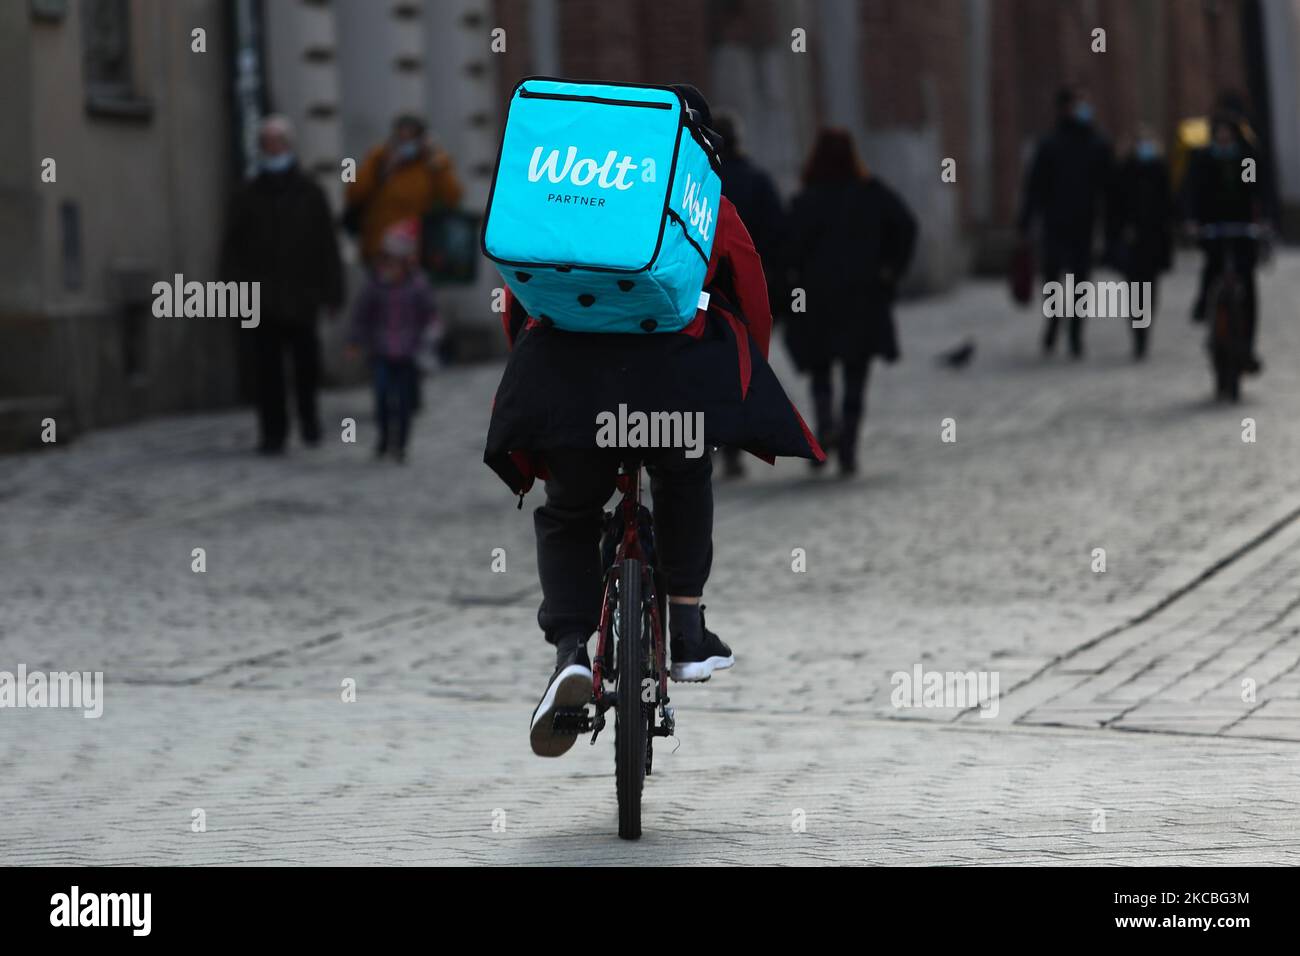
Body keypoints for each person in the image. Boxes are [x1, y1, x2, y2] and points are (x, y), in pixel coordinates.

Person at [482, 84, 825, 758]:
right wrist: (741, 374)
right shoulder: (698, 197)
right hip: (673, 381)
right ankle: (689, 632)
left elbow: (520, 299)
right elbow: (750, 292)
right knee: (683, 479)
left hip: (567, 381)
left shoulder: (576, 189)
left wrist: (534, 361)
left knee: (569, 512)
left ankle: (572, 652)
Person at [784, 128, 917, 476]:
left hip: (818, 297)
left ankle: (826, 427)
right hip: (863, 295)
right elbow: (906, 226)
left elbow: (788, 249)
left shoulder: (807, 200)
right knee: (856, 371)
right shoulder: (872, 194)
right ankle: (849, 446)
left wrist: (790, 286)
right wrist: (891, 270)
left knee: (821, 368)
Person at [221, 115, 344, 454]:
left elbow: (326, 245)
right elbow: (233, 248)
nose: (272, 149)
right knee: (267, 371)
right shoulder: (247, 194)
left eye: (277, 143)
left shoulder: (310, 192)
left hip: (303, 295)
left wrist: (332, 291)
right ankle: (273, 432)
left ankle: (309, 422)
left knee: (307, 365)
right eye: (267, 144)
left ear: (288, 147)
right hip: (261, 298)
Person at [711, 110, 787, 480]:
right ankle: (731, 445)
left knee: (701, 364)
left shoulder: (697, 180)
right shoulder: (756, 180)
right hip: (745, 285)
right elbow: (777, 231)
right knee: (739, 366)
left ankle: (706, 440)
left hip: (702, 291)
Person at [1018, 85, 1114, 358]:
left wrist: (1112, 223)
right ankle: (1053, 323)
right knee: (1053, 279)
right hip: (1055, 222)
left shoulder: (1097, 142)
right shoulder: (1050, 144)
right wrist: (1024, 223)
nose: (1083, 110)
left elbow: (1109, 186)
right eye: (1076, 105)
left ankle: (1076, 332)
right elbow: (1034, 187)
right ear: (1064, 109)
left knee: (1081, 280)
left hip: (1084, 223)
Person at [1182, 110, 1269, 372]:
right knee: (1212, 269)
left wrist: (1261, 220)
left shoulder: (1245, 160)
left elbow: (1254, 191)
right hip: (1212, 227)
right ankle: (1204, 305)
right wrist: (1191, 220)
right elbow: (1191, 191)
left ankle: (1247, 346)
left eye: (1227, 133)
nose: (1223, 137)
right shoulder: (1203, 158)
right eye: (1219, 132)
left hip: (1242, 228)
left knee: (1248, 285)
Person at [347, 220, 437, 463]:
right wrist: (355, 341)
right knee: (382, 398)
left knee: (405, 402)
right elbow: (360, 315)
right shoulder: (374, 286)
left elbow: (429, 314)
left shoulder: (418, 286)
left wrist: (430, 336)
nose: (391, 267)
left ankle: (401, 444)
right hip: (381, 351)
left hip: (408, 353)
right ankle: (384, 438)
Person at [344, 115, 464, 269]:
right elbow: (353, 193)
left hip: (415, 250)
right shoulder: (379, 157)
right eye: (401, 138)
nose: (406, 144)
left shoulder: (431, 163)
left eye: (411, 138)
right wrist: (381, 168)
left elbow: (453, 197)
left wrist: (437, 165)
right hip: (379, 249)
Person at [1106, 124, 1173, 360]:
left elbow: (1168, 206)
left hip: (1153, 241)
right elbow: (1113, 208)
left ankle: (1144, 330)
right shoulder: (1124, 171)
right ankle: (1138, 332)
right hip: (1132, 240)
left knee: (1151, 290)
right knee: (1134, 289)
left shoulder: (1159, 170)